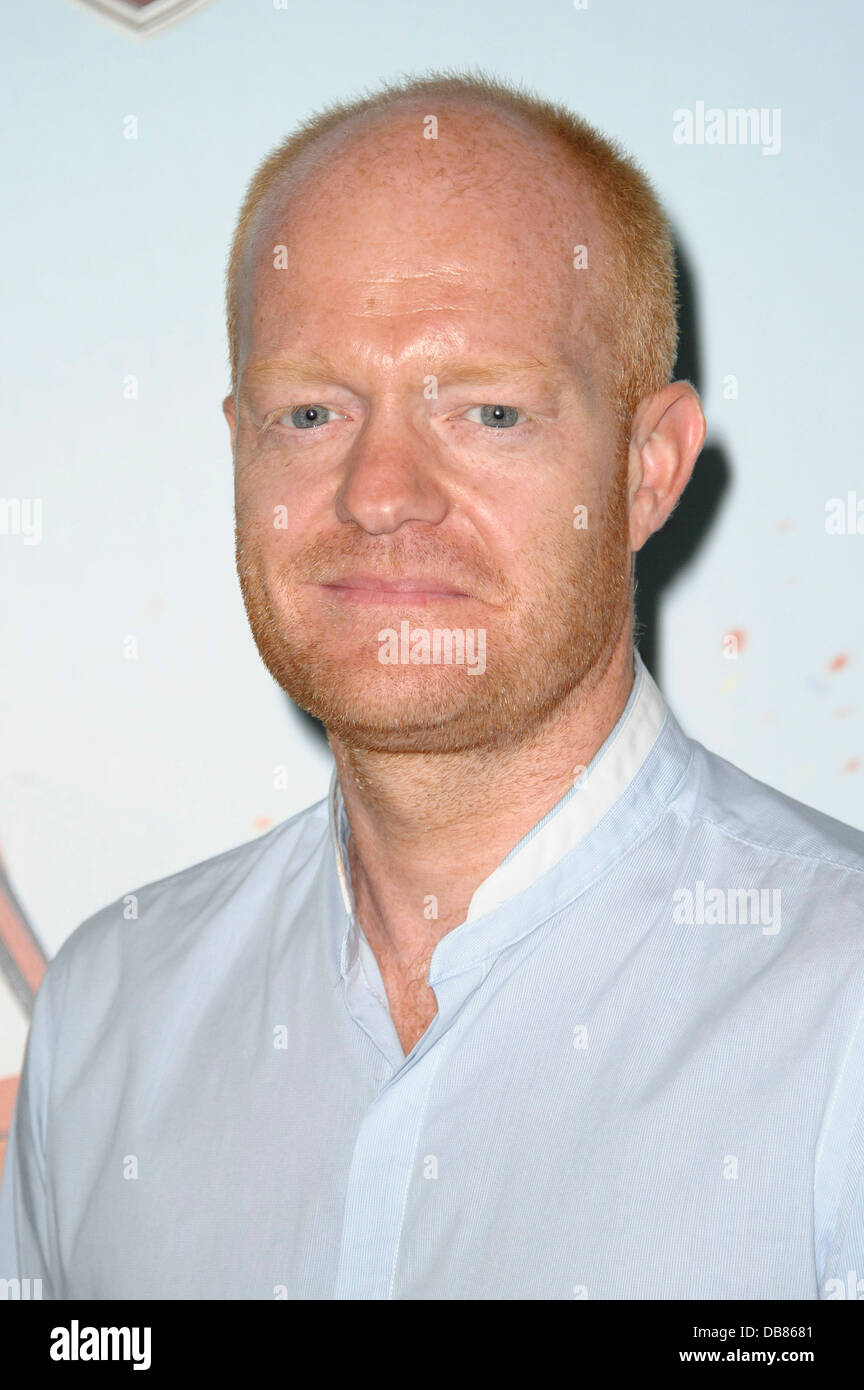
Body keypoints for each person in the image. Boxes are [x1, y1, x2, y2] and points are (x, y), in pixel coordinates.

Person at [1, 71, 862, 1301]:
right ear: (236, 446)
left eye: (489, 412)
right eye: (310, 412)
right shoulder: (107, 1015)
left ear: (649, 470)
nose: (379, 490)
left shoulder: (842, 1010)